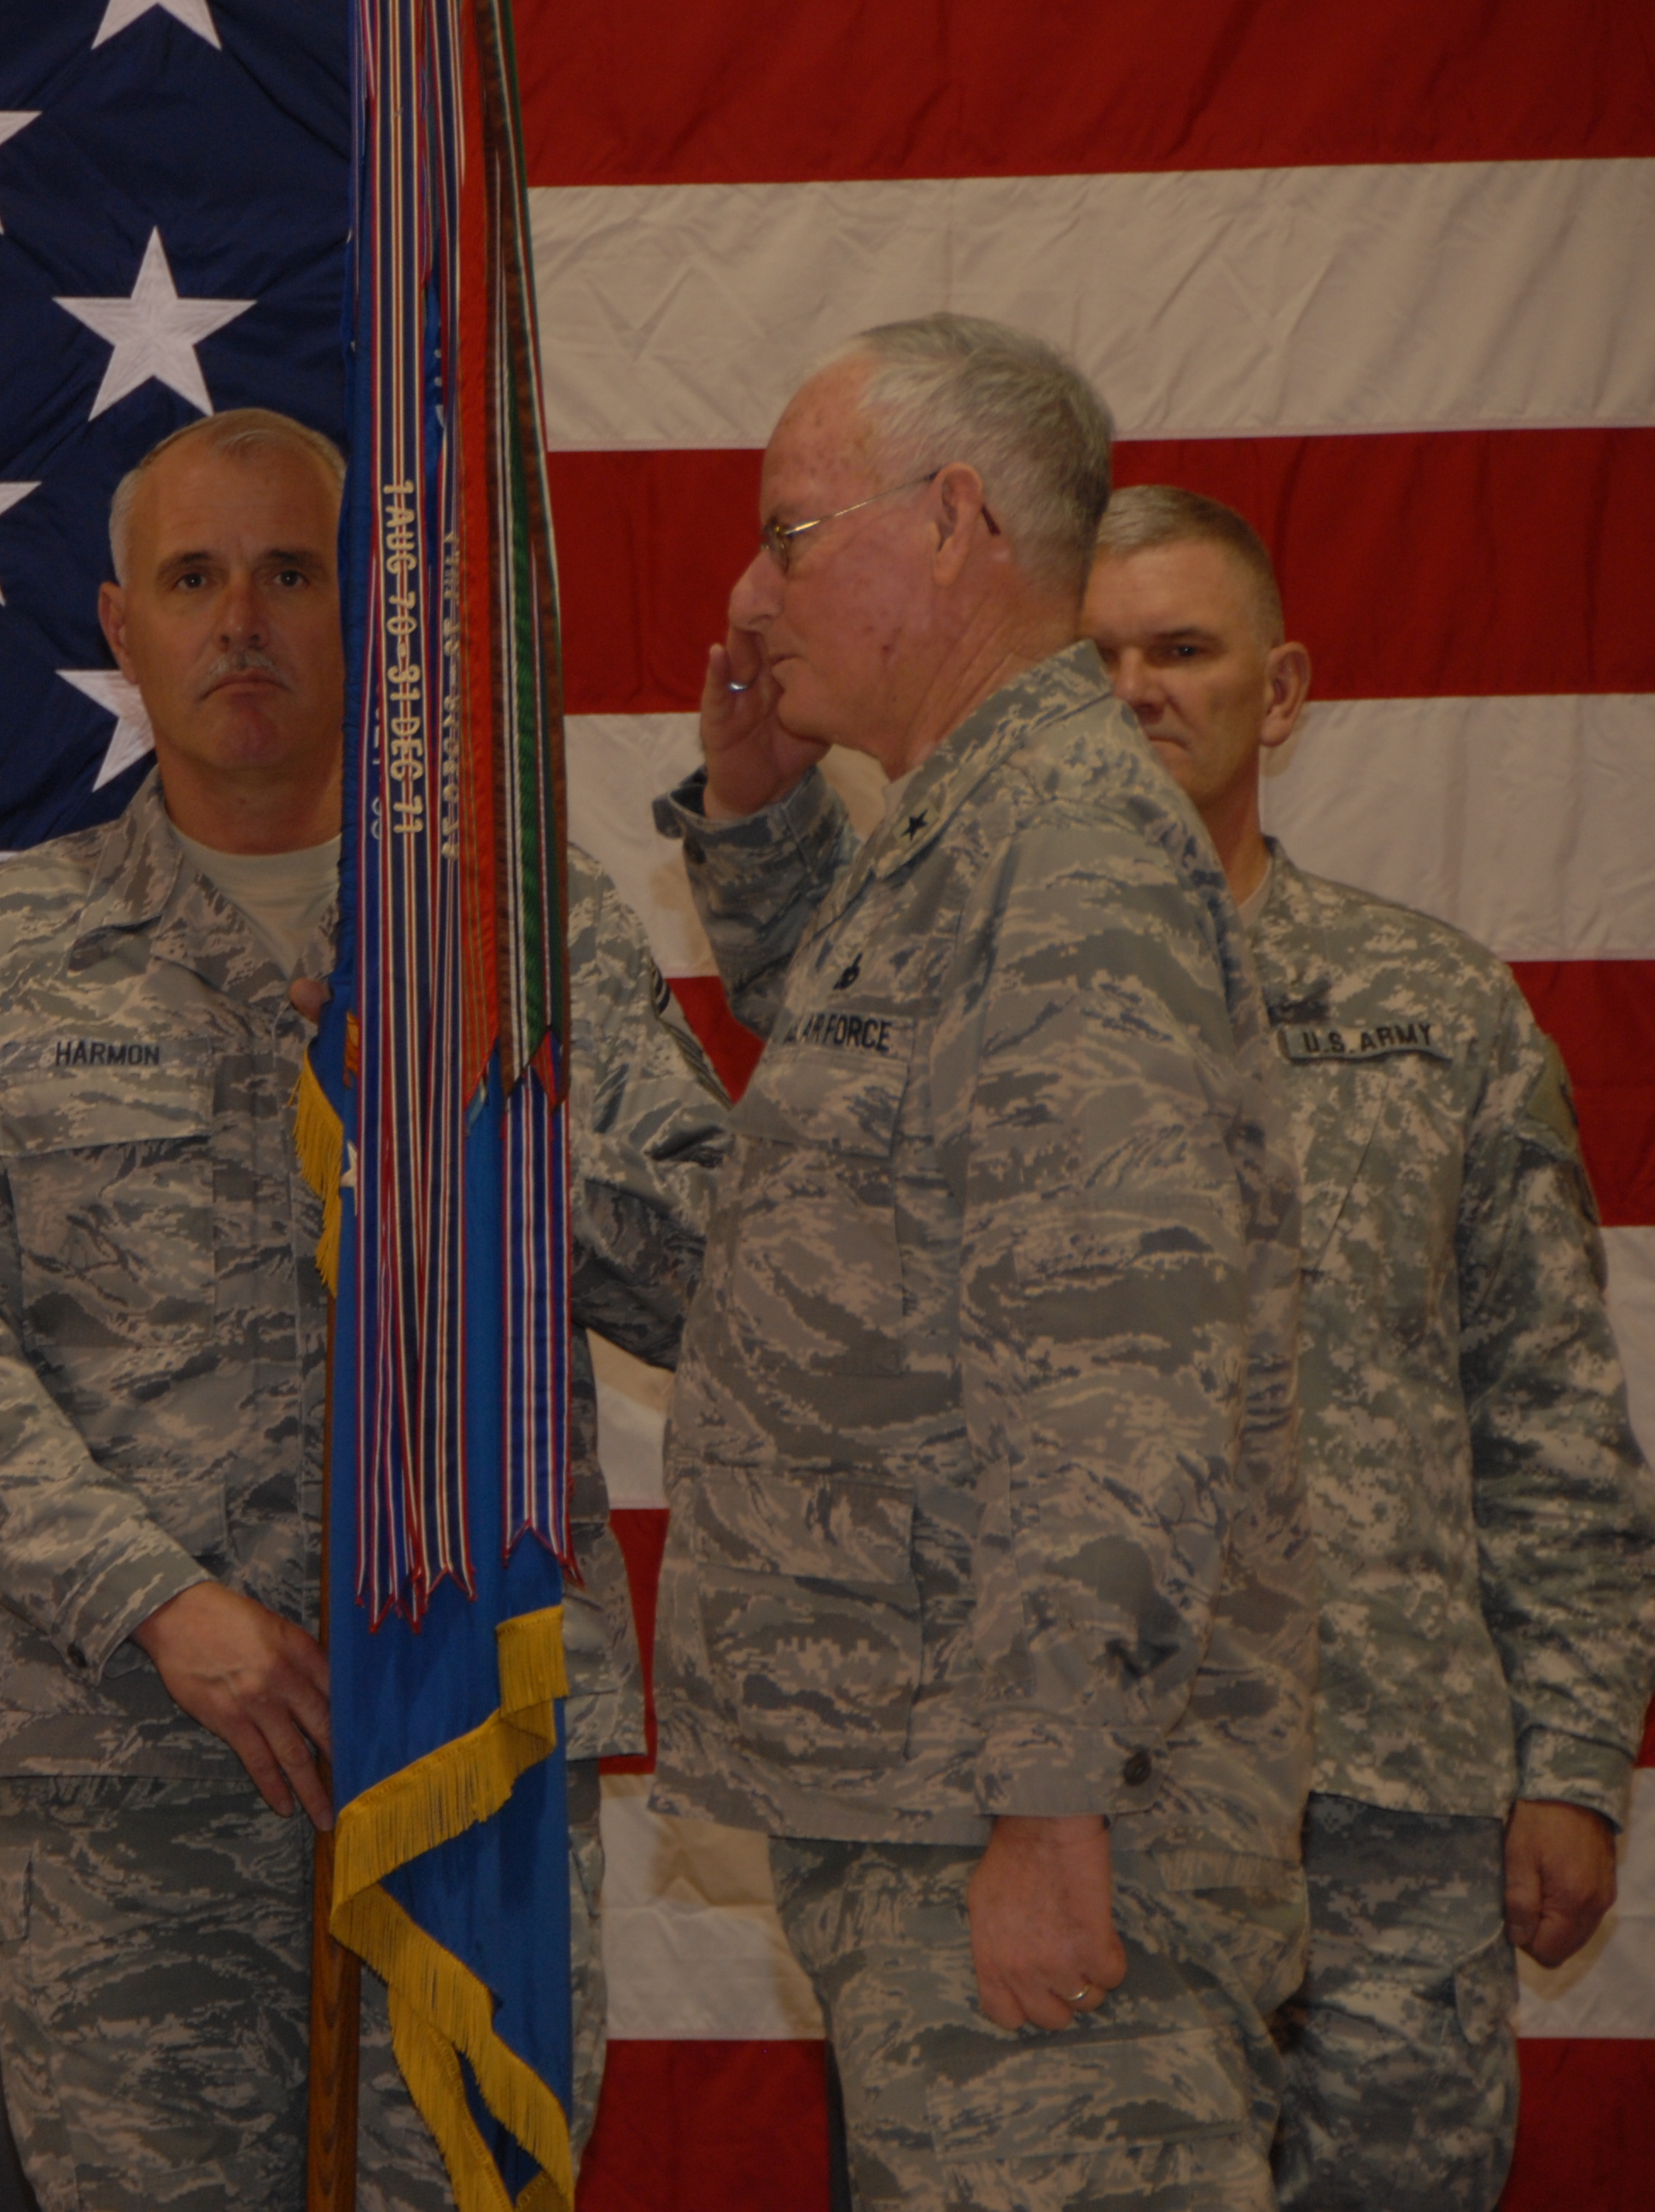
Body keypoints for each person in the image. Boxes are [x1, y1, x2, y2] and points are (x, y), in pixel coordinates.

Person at [0, 407, 729, 2209]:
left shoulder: (525, 940)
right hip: (139, 1762)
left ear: (373, 621)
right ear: (121, 624)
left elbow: (716, 1279)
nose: (240, 620)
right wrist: (159, 1604)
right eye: (192, 579)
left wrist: (495, 1120)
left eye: (291, 574)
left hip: (466, 1739)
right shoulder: (0, 957)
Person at [641, 314, 1314, 2209]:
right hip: (930, 1790)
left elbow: (1110, 1365)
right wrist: (763, 816)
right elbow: (882, 1100)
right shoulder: (972, 826)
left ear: (951, 525)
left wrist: (1050, 1798)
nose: (746, 593)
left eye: (789, 535)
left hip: (1020, 1815)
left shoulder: (1069, 852)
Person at [1086, 485, 1655, 2209]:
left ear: (1278, 691)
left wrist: (1571, 1761)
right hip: (1084, 1809)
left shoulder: (1436, 1012)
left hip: (1387, 1814)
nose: (1133, 692)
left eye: (1179, 649)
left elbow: (1550, 1415)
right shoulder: (977, 1012)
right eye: (1091, 661)